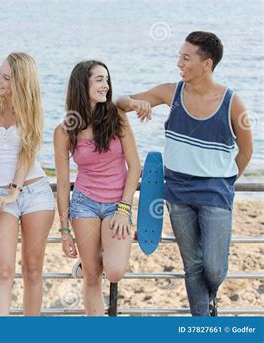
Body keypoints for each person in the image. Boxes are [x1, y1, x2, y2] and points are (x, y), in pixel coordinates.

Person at [116, 31, 253, 316]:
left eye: (186, 57)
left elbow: (246, 152)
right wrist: (135, 103)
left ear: (207, 63)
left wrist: (224, 183)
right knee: (192, 265)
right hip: (177, 194)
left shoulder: (232, 103)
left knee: (214, 268)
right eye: (180, 55)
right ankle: (202, 323)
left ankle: (211, 296)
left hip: (216, 195)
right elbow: (121, 101)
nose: (179, 62)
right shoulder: (171, 93)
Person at [0, 52, 55, 315]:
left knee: (32, 268)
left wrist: (14, 192)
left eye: (7, 77)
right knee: (3, 270)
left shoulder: (32, 109)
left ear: (21, 82)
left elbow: (28, 153)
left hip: (36, 192)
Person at [54, 60, 141, 316]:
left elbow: (135, 167)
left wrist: (125, 209)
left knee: (114, 270)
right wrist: (64, 230)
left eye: (107, 79)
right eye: (99, 80)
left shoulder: (118, 118)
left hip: (117, 205)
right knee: (92, 276)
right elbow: (62, 183)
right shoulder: (65, 131)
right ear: (83, 85)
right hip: (84, 203)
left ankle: (93, 254)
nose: (106, 85)